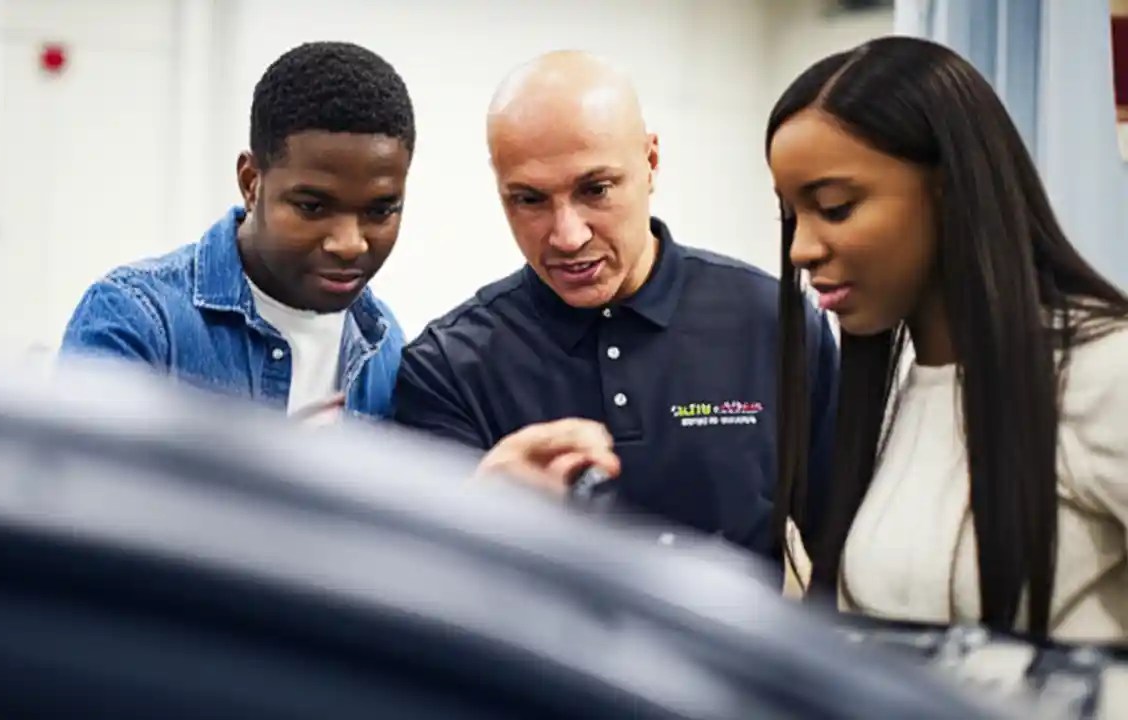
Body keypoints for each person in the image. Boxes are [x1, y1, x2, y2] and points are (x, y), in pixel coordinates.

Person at [393, 50, 838, 558]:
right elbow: (430, 585)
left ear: (650, 163)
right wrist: (478, 501)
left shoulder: (773, 323)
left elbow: (842, 549)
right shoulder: (446, 369)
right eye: (530, 200)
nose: (567, 235)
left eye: (596, 189)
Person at [770, 37, 1128, 642]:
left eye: (833, 207)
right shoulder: (902, 391)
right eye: (790, 216)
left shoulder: (1102, 372)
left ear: (948, 187)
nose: (801, 249)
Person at [61, 42, 414, 423]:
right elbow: (74, 481)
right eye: (312, 207)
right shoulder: (138, 319)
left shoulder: (385, 344)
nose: (349, 244)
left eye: (380, 211)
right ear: (251, 183)